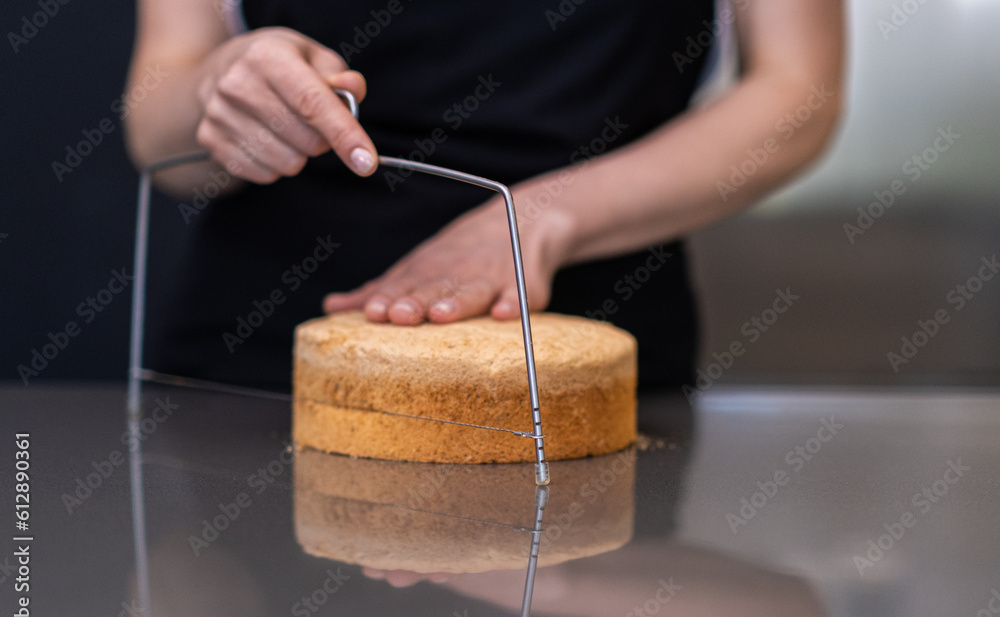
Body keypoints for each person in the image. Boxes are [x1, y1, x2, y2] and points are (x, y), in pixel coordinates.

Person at [124, 0, 844, 391]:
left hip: (580, 366)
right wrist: (224, 87)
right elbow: (158, 139)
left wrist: (543, 216)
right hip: (262, 362)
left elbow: (797, 92)